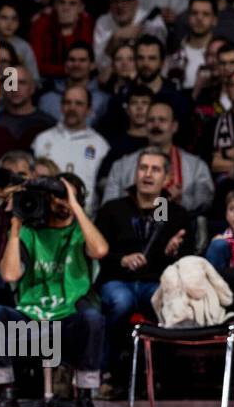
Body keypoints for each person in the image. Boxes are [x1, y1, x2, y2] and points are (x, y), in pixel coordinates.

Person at [0, 173, 109, 407]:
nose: (61, 203)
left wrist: (75, 204)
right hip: (32, 320)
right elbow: (9, 274)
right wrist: (15, 230)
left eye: (66, 198)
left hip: (68, 323)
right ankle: (6, 397)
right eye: (56, 198)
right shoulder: (31, 231)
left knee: (92, 318)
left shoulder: (81, 233)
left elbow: (100, 250)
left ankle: (85, 398)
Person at [94, 149, 191, 382]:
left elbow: (185, 258)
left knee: (166, 304)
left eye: (155, 169)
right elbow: (96, 251)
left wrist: (172, 253)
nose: (147, 174)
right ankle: (107, 373)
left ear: (166, 178)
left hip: (153, 281)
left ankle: (160, 377)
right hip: (117, 279)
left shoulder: (170, 211)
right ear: (135, 172)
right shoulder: (114, 208)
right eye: (143, 168)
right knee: (121, 302)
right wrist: (122, 259)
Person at [103, 102, 214, 214]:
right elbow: (109, 206)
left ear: (174, 127)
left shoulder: (196, 166)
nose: (156, 125)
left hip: (182, 227)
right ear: (145, 126)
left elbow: (205, 203)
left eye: (162, 120)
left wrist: (181, 200)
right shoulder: (122, 166)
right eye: (151, 120)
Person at [32, 84, 109, 213]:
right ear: (61, 107)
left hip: (84, 218)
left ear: (89, 109)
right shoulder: (42, 140)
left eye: (79, 103)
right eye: (68, 102)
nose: (72, 108)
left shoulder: (101, 145)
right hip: (45, 215)